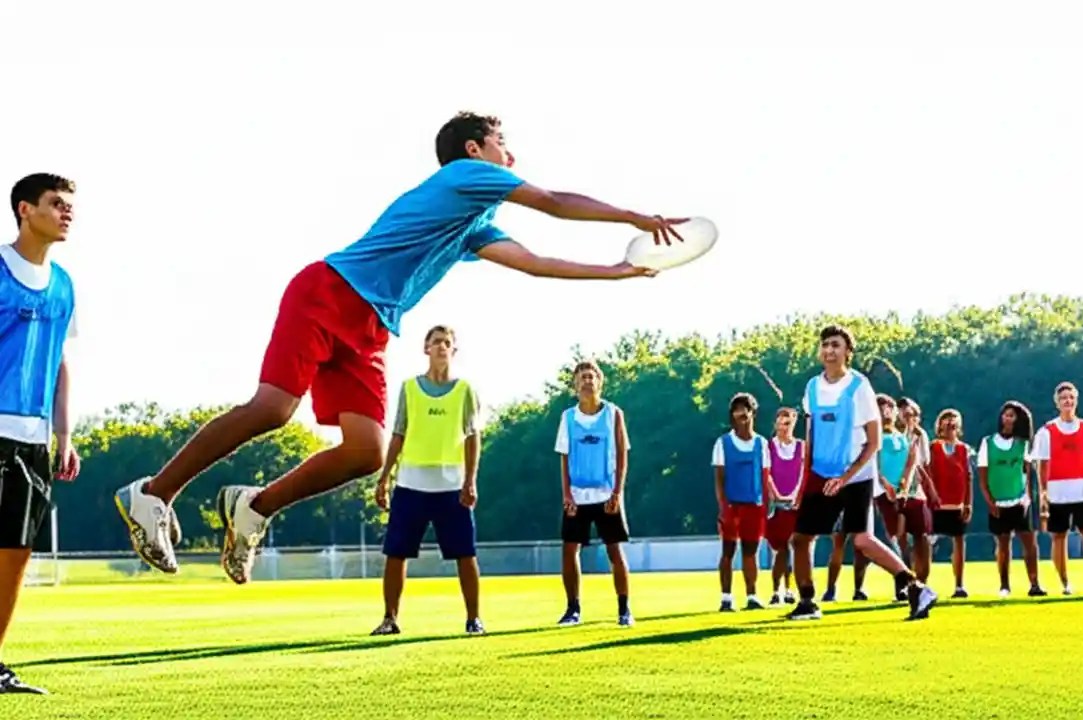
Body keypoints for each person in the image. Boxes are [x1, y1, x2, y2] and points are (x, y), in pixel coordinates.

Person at [114, 111, 683, 583]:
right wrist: (634, 216)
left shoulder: (474, 222)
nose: (511, 152)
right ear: (473, 148)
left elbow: (535, 265)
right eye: (502, 142)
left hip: (370, 326)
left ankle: (254, 507)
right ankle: (154, 493)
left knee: (366, 452)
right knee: (272, 409)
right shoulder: (466, 174)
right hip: (329, 292)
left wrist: (618, 271)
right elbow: (555, 202)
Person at [786, 325, 937, 622]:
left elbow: (874, 441)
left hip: (856, 475)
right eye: (825, 345)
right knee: (801, 538)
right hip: (821, 474)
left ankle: (915, 587)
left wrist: (846, 477)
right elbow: (812, 433)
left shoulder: (859, 387)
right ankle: (807, 602)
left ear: (848, 353)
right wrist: (806, 480)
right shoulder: (812, 388)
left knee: (862, 540)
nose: (829, 350)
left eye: (836, 345)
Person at [0, 174, 81, 695]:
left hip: (33, 442)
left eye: (71, 206)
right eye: (57, 204)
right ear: (26, 210)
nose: (67, 213)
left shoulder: (65, 284)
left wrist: (64, 435)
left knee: (15, 552)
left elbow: (62, 362)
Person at [370, 326, 484, 636]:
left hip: (451, 487)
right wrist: (384, 478)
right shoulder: (409, 388)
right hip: (411, 485)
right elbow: (398, 434)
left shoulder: (465, 390)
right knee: (396, 553)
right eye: (436, 342)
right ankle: (390, 618)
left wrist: (470, 481)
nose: (442, 347)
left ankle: (474, 619)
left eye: (447, 343)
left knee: (465, 553)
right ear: (426, 348)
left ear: (454, 351)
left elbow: (473, 437)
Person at [555, 360, 634, 626]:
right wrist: (567, 495)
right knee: (569, 550)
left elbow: (623, 454)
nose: (587, 381)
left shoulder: (613, 414)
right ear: (575, 384)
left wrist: (617, 493)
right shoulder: (568, 418)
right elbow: (564, 458)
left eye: (592, 377)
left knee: (614, 551)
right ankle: (572, 609)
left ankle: (624, 610)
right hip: (577, 495)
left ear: (600, 382)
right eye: (582, 377)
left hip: (606, 494)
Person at [1031, 382, 1083, 595]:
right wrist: (1044, 494)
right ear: (1057, 403)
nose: (1067, 401)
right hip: (1057, 493)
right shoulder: (1046, 431)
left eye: (1071, 397)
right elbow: (1042, 463)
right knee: (1059, 537)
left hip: (1081, 492)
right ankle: (1065, 583)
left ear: (1076, 400)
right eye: (1063, 398)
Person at [713, 393, 774, 611]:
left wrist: (767, 507)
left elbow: (765, 476)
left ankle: (752, 596)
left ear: (752, 413)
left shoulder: (762, 444)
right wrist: (723, 507)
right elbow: (719, 479)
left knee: (751, 552)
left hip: (754, 506)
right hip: (731, 505)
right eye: (738, 410)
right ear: (732, 415)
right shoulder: (723, 443)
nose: (742, 414)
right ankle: (726, 598)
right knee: (728, 552)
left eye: (746, 409)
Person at [977, 401, 1045, 597]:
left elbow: (1027, 473)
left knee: (1029, 543)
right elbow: (983, 477)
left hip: (1020, 502)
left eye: (1012, 416)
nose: (1008, 419)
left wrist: (1026, 497)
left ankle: (1034, 583)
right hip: (998, 502)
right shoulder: (987, 443)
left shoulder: (1023, 444)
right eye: (1005, 415)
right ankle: (1004, 585)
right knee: (1003, 544)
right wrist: (990, 502)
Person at [883, 396, 927, 596]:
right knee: (898, 537)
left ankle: (921, 580)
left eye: (911, 414)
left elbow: (921, 463)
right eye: (904, 414)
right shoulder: (893, 436)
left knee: (920, 537)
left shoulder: (919, 436)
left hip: (915, 492)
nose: (907, 418)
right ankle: (904, 580)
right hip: (894, 492)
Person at [928, 407, 973, 599]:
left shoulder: (964, 449)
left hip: (957, 505)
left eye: (953, 420)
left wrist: (968, 503)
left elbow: (968, 477)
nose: (950, 423)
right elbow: (928, 473)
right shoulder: (933, 447)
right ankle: (923, 584)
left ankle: (959, 585)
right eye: (946, 420)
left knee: (959, 542)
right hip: (936, 505)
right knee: (927, 544)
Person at [764, 408, 804, 605]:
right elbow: (767, 473)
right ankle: (775, 590)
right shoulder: (769, 447)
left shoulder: (801, 447)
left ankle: (790, 589)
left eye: (787, 423)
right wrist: (777, 494)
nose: (783, 427)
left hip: (796, 504)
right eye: (780, 423)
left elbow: (804, 472)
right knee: (779, 549)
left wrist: (796, 494)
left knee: (794, 547)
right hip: (776, 504)